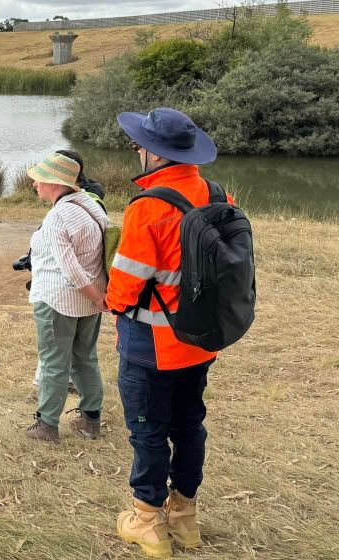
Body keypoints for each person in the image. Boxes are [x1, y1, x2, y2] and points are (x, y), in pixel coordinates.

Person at [105, 108, 226, 557]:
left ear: (156, 154)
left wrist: (110, 302)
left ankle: (147, 522)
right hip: (201, 339)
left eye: (139, 144)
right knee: (190, 424)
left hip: (151, 344)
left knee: (147, 431)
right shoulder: (218, 194)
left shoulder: (149, 206)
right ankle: (185, 517)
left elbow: (127, 283)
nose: (136, 149)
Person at [24, 153, 108, 443]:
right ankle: (90, 420)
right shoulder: (91, 205)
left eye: (40, 179)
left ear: (55, 183)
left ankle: (47, 425)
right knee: (85, 358)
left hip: (59, 301)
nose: (35, 184)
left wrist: (96, 296)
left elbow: (70, 267)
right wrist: (97, 297)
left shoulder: (59, 215)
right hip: (89, 302)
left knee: (53, 362)